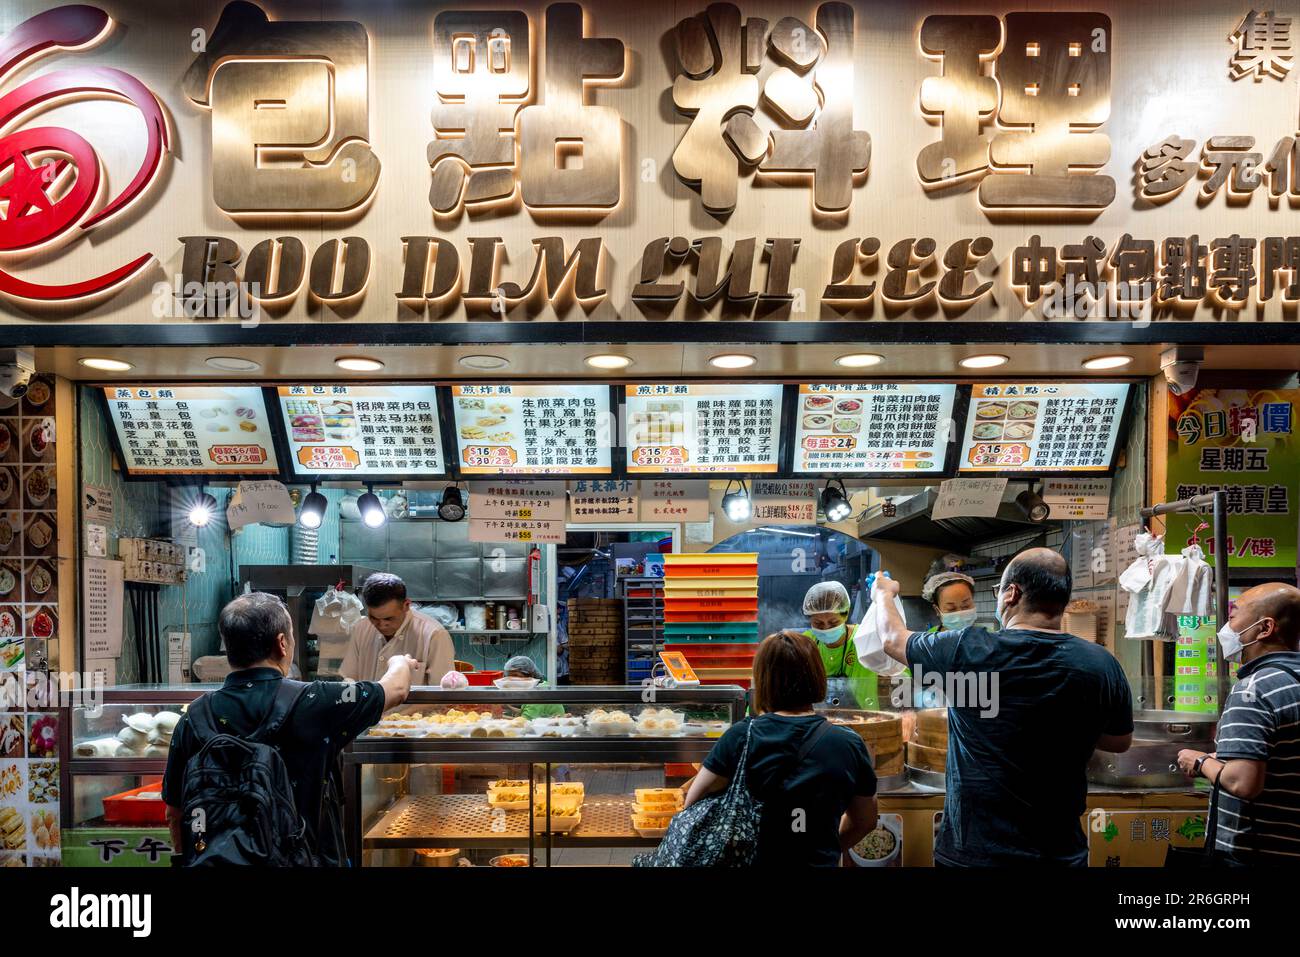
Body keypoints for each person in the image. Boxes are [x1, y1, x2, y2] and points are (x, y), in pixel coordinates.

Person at [873, 547, 1134, 866]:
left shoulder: (967, 649)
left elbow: (892, 639)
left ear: (1011, 593)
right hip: (1058, 852)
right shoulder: (1101, 663)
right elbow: (1120, 742)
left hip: (974, 854)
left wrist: (884, 594)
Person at [162, 592, 417, 865]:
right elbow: (396, 689)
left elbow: (175, 813)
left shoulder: (195, 717)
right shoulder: (315, 701)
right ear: (282, 643)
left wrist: (182, 857)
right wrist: (399, 662)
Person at [684, 630, 878, 866]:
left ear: (763, 680)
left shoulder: (741, 737)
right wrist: (825, 849)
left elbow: (692, 807)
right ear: (817, 677)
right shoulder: (849, 743)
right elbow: (865, 821)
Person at [1176, 582, 1300, 864]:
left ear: (1264, 628)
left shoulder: (1253, 689)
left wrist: (1199, 761)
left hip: (1255, 852)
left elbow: (1243, 782)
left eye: (1233, 616)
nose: (1226, 627)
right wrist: (1225, 757)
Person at [341, 573, 454, 685]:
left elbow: (442, 693)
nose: (381, 625)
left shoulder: (434, 635)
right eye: (373, 618)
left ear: (406, 605)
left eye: (388, 618)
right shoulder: (361, 628)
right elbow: (350, 677)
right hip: (368, 703)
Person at [802, 580, 880, 708]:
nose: (826, 628)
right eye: (818, 624)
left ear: (845, 615)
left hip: (866, 715)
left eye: (833, 623)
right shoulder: (806, 643)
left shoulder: (863, 639)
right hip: (820, 719)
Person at [502, 655, 565, 720]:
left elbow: (525, 722)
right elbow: (527, 711)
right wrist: (508, 707)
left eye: (516, 676)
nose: (513, 680)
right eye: (509, 677)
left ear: (530, 674)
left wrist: (498, 717)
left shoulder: (538, 692)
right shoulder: (537, 686)